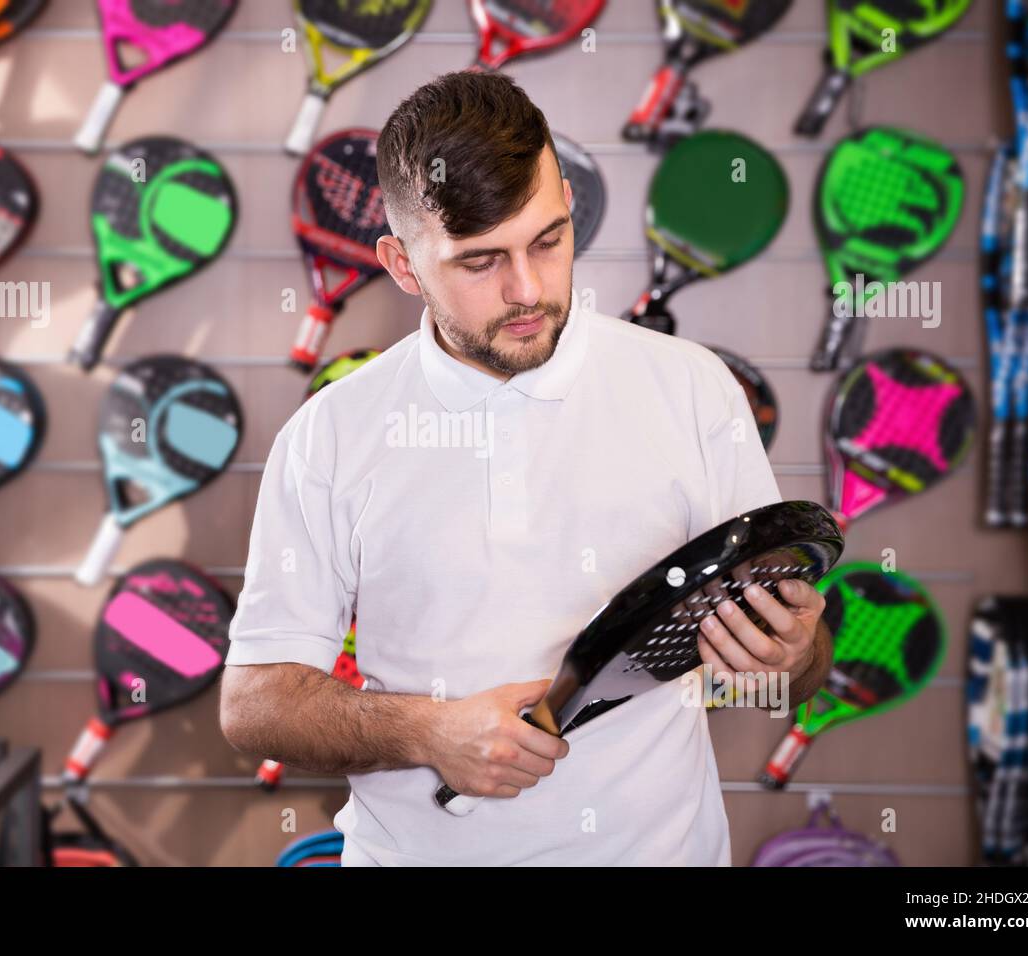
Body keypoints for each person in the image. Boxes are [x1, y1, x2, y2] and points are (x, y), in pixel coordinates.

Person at [219, 71, 831, 866]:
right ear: (402, 265)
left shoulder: (693, 390)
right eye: (480, 263)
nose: (529, 290)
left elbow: (802, 669)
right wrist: (427, 732)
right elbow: (254, 705)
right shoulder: (330, 436)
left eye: (548, 239)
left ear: (570, 203)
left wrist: (791, 655)